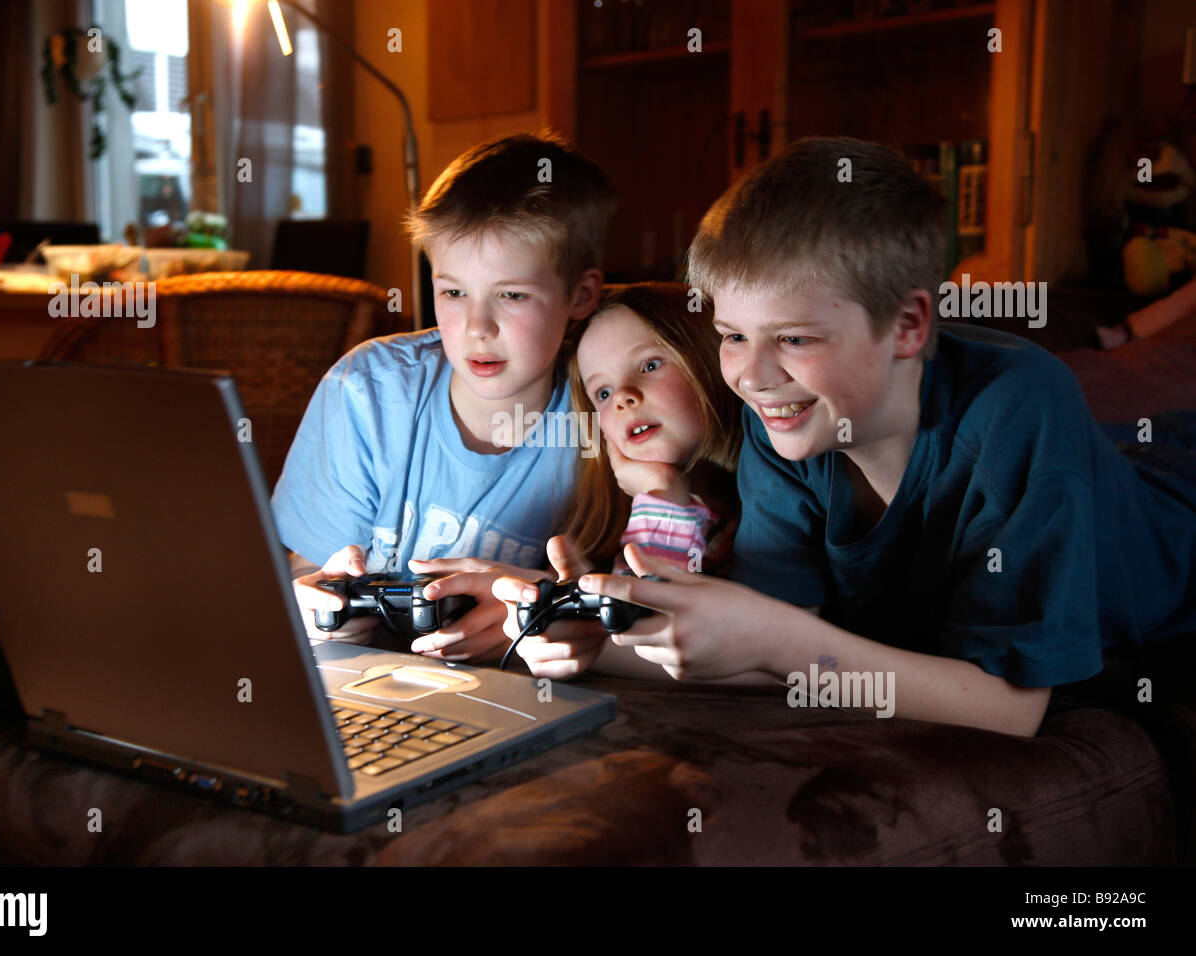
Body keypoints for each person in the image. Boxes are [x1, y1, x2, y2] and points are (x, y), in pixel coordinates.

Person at [493, 136, 1196, 737]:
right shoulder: (785, 429)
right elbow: (769, 639)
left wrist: (776, 639)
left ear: (910, 326)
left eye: (795, 338)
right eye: (733, 337)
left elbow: (1013, 707)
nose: (754, 377)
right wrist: (591, 633)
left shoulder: (1019, 406)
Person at [271, 131, 617, 663]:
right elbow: (303, 569)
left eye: (512, 295)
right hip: (375, 687)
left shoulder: (607, 413)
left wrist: (540, 612)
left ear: (580, 295)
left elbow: (632, 602)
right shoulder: (367, 393)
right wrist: (323, 613)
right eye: (453, 292)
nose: (477, 327)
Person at [560, 281, 740, 576]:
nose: (621, 398)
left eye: (650, 366)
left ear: (710, 359)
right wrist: (662, 490)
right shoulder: (612, 533)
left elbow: (657, 606)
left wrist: (664, 493)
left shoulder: (763, 513)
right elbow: (640, 613)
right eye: (603, 393)